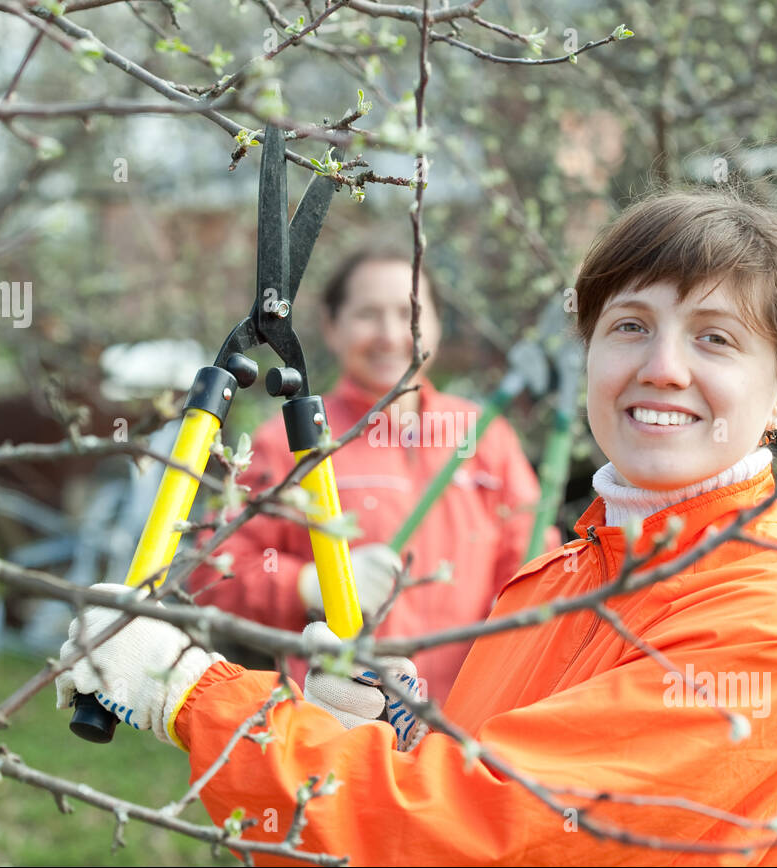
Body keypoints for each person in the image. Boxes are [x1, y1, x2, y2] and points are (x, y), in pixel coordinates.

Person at [57, 188, 777, 866]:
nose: (663, 367)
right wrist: (398, 734)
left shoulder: (766, 628)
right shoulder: (564, 581)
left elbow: (483, 828)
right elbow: (490, 780)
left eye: (714, 338)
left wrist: (194, 695)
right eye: (630, 326)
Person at [185, 248, 556, 704]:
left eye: (409, 314)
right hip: (344, 720)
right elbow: (211, 569)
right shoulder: (291, 441)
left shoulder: (485, 435)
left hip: (471, 716)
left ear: (437, 324)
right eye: (367, 314)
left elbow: (536, 566)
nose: (390, 335)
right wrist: (313, 584)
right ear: (331, 326)